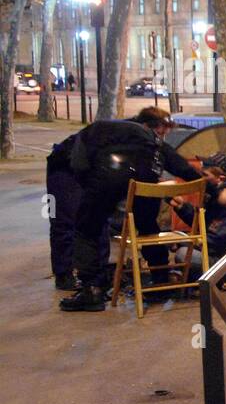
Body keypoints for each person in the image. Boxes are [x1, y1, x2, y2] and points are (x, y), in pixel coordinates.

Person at [59, 107, 196, 312]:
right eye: (160, 131)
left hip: (106, 179)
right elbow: (80, 164)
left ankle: (93, 289)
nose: (161, 136)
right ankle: (158, 279)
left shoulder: (138, 137)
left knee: (94, 227)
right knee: (104, 224)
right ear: (146, 126)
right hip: (95, 173)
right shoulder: (118, 135)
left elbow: (181, 167)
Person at [168, 153, 226, 280]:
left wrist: (187, 241)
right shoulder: (218, 197)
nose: (201, 179)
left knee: (184, 254)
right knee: (184, 249)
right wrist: (182, 207)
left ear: (221, 178)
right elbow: (206, 224)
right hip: (222, 253)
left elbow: (219, 240)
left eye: (205, 175)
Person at [46, 129, 108, 291]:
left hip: (89, 166)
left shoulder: (141, 138)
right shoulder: (130, 136)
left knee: (99, 220)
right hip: (63, 165)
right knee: (64, 221)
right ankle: (63, 273)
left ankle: (98, 273)